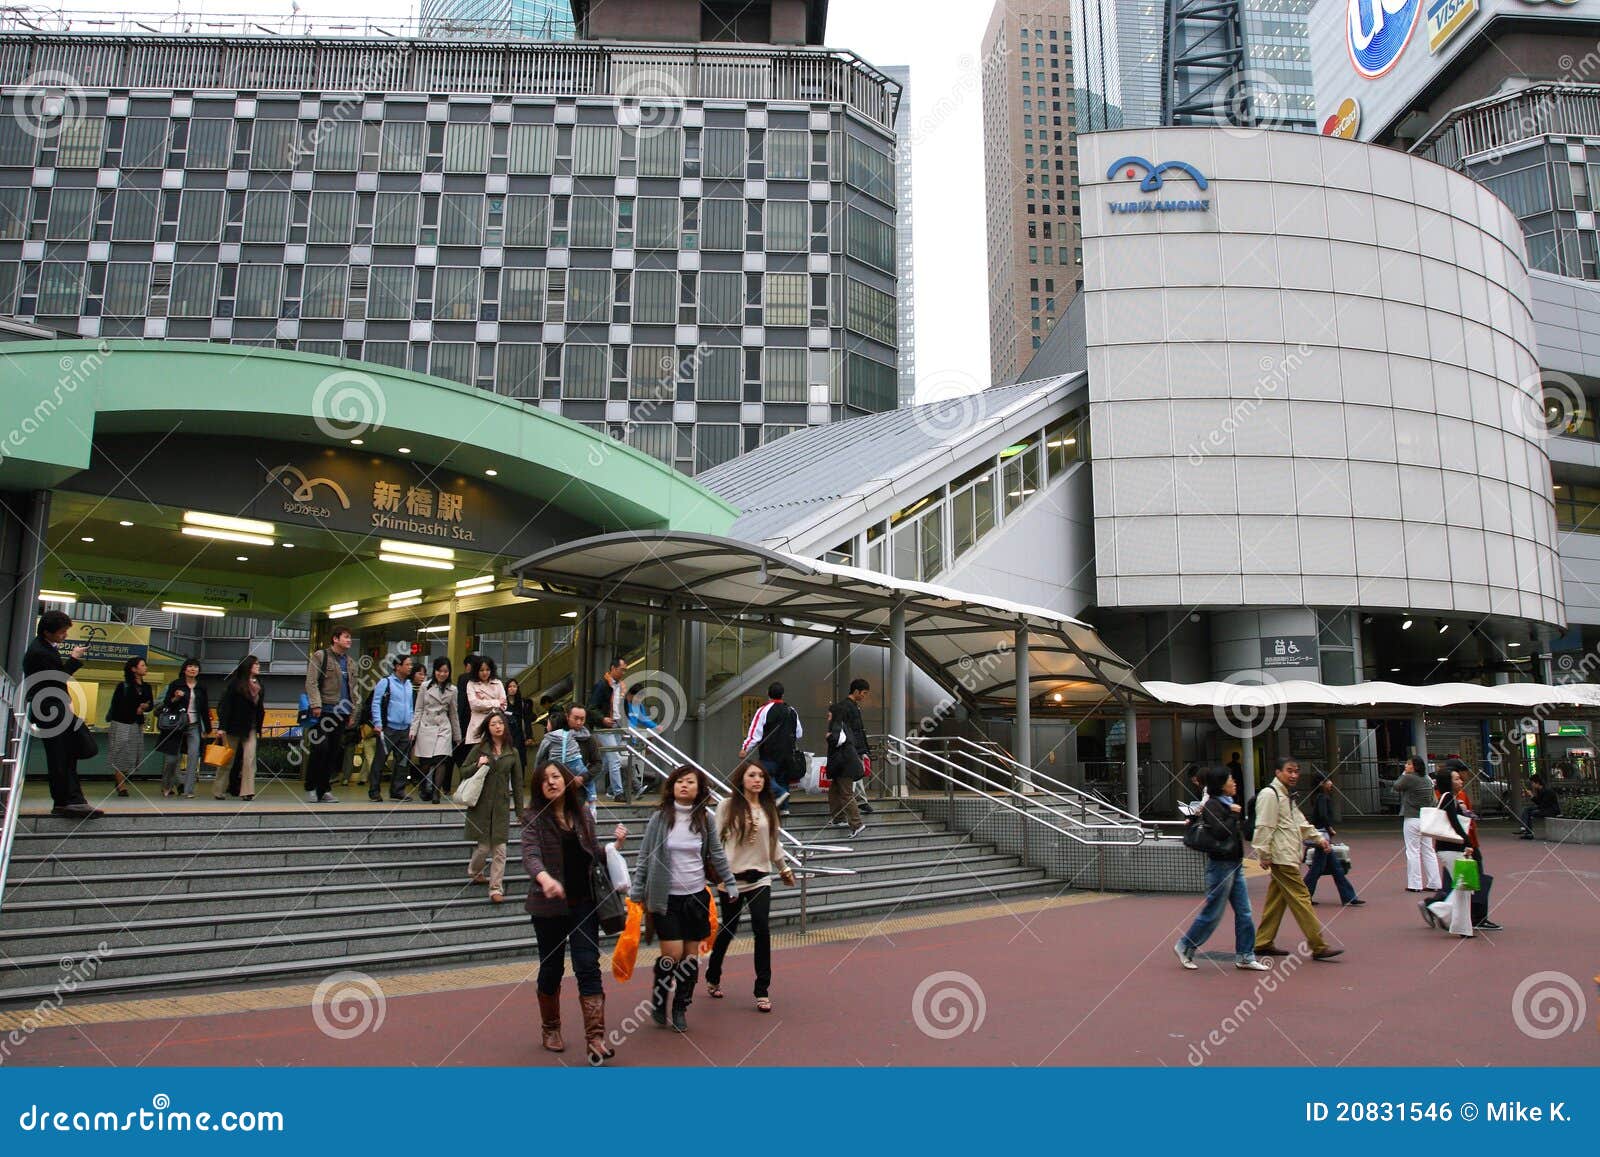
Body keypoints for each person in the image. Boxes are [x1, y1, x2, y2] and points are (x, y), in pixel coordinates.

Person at [522, 760, 629, 1064]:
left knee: (587, 965)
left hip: (583, 903)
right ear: (539, 788)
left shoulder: (582, 815)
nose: (551, 782)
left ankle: (595, 1039)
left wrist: (615, 845)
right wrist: (545, 879)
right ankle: (551, 1027)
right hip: (548, 906)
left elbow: (593, 852)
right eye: (545, 780)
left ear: (567, 781)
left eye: (556, 776)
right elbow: (530, 855)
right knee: (552, 968)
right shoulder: (533, 819)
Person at [628, 765, 741, 1033]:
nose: (684, 785)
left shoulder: (704, 819)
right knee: (672, 954)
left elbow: (716, 853)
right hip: (665, 899)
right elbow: (644, 857)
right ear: (672, 786)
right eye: (679, 781)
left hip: (696, 897)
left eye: (690, 782)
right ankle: (660, 996)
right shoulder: (659, 819)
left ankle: (680, 1007)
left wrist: (731, 882)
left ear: (699, 788)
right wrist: (636, 891)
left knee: (690, 959)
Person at [705, 760, 795, 1009]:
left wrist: (784, 868)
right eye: (751, 775)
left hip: (761, 878)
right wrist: (717, 872)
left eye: (760, 776)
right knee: (729, 929)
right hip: (732, 879)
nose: (757, 779)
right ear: (741, 779)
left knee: (761, 928)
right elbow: (714, 841)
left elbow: (774, 842)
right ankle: (713, 975)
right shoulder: (726, 806)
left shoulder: (768, 808)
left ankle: (762, 989)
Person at [1175, 766, 1269, 971]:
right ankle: (1185, 945)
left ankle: (1245, 955)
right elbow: (1220, 832)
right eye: (1230, 780)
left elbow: (1240, 833)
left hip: (1234, 864)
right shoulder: (1214, 806)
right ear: (1220, 785)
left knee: (1244, 911)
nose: (1234, 783)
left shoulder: (1227, 804)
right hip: (1220, 865)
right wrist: (1233, 815)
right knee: (1213, 912)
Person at [1252, 758, 1343, 961]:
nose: (1293, 775)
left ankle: (1263, 942)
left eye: (1296, 771)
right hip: (1281, 856)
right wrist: (1263, 853)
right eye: (1289, 771)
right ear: (1277, 772)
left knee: (1276, 900)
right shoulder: (1270, 794)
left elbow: (1299, 822)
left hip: (1286, 854)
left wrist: (1319, 839)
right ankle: (1318, 945)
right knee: (1302, 898)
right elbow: (1264, 826)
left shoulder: (1286, 795)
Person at [22, 610, 102, 819]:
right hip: (49, 707)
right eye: (62, 632)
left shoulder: (44, 648)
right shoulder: (40, 652)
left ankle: (72, 799)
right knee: (61, 755)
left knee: (66, 754)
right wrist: (74, 659)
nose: (65, 635)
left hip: (50, 706)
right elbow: (57, 679)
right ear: (48, 632)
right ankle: (68, 800)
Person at [461, 710, 524, 903]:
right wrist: (478, 765)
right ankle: (474, 870)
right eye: (493, 724)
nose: (497, 726)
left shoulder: (512, 752)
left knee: (500, 849)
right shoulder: (480, 749)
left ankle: (496, 888)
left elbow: (518, 782)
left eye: (500, 723)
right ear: (488, 728)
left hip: (501, 806)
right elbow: (463, 771)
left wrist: (520, 811)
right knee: (483, 847)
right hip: (481, 804)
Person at [303, 626, 357, 804]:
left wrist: (352, 712)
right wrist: (316, 704)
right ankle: (311, 787)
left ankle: (324, 789)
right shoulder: (321, 656)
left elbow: (353, 689)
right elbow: (311, 682)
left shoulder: (350, 662)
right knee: (320, 749)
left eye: (350, 637)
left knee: (333, 752)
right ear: (335, 639)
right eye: (346, 636)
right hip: (323, 711)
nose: (349, 640)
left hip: (342, 712)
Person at [1421, 767, 1477, 937]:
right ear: (1448, 782)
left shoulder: (1450, 798)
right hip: (1452, 848)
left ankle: (1457, 923)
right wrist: (1467, 842)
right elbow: (1454, 823)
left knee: (1463, 887)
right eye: (1456, 779)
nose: (1460, 781)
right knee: (1464, 887)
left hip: (1449, 848)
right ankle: (1444, 913)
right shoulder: (1447, 798)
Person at [1302, 771, 1363, 907]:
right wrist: (1330, 828)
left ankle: (1349, 896)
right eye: (1328, 781)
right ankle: (1303, 895)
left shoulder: (1317, 797)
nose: (1331, 783)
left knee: (1336, 869)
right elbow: (1323, 816)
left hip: (1321, 836)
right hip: (1323, 837)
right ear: (1321, 784)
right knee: (1318, 869)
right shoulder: (1323, 798)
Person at [741, 682, 803, 816]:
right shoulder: (791, 710)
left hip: (769, 752)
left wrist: (745, 748)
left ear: (768, 694)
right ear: (783, 695)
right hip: (788, 753)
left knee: (764, 775)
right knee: (783, 778)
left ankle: (779, 793)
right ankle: (784, 808)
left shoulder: (763, 710)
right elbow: (799, 733)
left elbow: (755, 733)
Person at [157, 657, 214, 799]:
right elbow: (166, 705)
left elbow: (204, 708)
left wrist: (207, 729)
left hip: (194, 725)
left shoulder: (202, 687)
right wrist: (175, 698)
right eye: (190, 666)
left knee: (193, 757)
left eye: (196, 667)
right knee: (172, 759)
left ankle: (188, 790)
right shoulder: (176, 684)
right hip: (176, 725)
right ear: (184, 669)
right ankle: (167, 785)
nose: (193, 669)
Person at [368, 654, 418, 802]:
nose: (410, 667)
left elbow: (411, 707)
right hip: (388, 727)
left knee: (403, 761)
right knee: (380, 759)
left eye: (411, 664)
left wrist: (411, 726)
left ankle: (398, 790)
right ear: (397, 666)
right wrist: (378, 723)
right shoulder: (386, 682)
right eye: (407, 664)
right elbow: (375, 703)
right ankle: (374, 791)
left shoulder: (409, 685)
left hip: (405, 728)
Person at [824, 678, 871, 835]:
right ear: (856, 691)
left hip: (844, 761)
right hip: (843, 761)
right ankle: (839, 818)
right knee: (835, 791)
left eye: (829, 714)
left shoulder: (839, 726)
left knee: (845, 792)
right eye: (864, 693)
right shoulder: (847, 710)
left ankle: (856, 823)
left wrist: (830, 736)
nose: (827, 716)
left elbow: (840, 740)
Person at [534, 703, 603, 809]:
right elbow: (541, 761)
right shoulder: (555, 736)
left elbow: (597, 764)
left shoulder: (589, 739)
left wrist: (583, 778)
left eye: (582, 719)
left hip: (578, 792)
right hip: (555, 791)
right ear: (567, 717)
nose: (579, 722)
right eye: (575, 718)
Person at [215, 655, 265, 800]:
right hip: (233, 726)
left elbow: (259, 708)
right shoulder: (235, 684)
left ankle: (247, 791)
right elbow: (226, 706)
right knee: (227, 760)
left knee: (249, 759)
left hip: (251, 727)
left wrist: (259, 726)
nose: (258, 666)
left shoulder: (259, 684)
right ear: (248, 666)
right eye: (256, 664)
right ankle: (219, 790)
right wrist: (222, 727)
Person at [410, 657, 460, 803]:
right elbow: (418, 709)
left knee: (441, 759)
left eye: (445, 671)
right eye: (439, 671)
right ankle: (424, 786)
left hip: (443, 727)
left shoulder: (453, 689)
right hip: (426, 725)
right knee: (425, 762)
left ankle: (436, 792)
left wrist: (457, 735)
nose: (442, 674)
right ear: (435, 671)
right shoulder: (425, 686)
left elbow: (453, 713)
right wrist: (413, 730)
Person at [105, 655, 154, 797]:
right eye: (142, 665)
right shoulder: (123, 686)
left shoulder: (147, 687)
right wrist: (135, 708)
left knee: (132, 754)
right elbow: (116, 705)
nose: (145, 668)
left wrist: (145, 707)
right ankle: (121, 784)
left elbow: (150, 704)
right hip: (121, 723)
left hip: (136, 724)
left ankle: (120, 779)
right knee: (120, 751)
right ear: (133, 669)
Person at [1393, 755, 1441, 892]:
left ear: (1414, 767)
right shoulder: (1427, 779)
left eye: (1408, 764)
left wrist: (1403, 774)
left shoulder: (1409, 778)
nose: (1405, 766)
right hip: (1426, 818)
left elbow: (1397, 786)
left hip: (1412, 818)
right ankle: (1434, 882)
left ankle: (1415, 884)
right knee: (1428, 850)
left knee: (1413, 851)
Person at [589, 656, 631, 801]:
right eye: (622, 670)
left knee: (607, 762)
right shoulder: (602, 685)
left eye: (625, 670)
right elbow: (591, 707)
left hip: (617, 725)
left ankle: (586, 782)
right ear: (613, 668)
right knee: (614, 759)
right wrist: (602, 718)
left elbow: (623, 706)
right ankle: (618, 792)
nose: (623, 673)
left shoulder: (621, 686)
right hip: (605, 726)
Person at [464, 655, 507, 746]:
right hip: (478, 724)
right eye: (481, 670)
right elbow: (474, 704)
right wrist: (496, 702)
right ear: (476, 671)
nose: (485, 673)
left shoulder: (498, 683)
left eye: (487, 670)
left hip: (495, 723)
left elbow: (503, 705)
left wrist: (483, 703)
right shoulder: (471, 684)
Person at [1518, 774, 1561, 839]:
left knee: (1529, 812)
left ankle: (1527, 832)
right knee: (1527, 810)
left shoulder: (1547, 791)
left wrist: (1532, 796)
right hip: (1545, 808)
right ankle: (1525, 829)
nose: (1532, 785)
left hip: (1551, 810)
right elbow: (1539, 803)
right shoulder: (1540, 790)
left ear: (1537, 783)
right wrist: (1532, 796)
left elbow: (1542, 805)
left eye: (1533, 783)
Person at [504, 678, 533, 763]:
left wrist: (529, 736)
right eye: (510, 687)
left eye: (514, 686)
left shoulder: (522, 703)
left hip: (519, 735)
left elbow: (527, 720)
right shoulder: (503, 703)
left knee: (520, 761)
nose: (512, 689)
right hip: (507, 735)